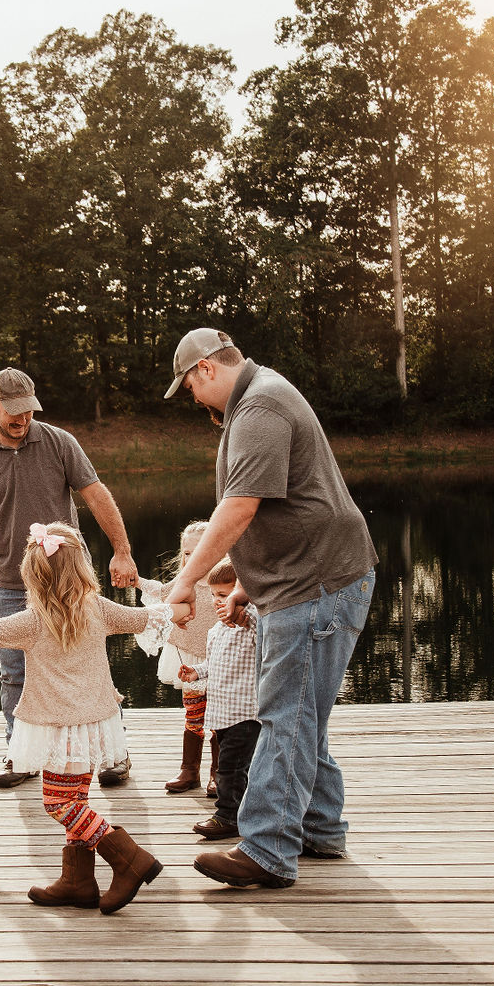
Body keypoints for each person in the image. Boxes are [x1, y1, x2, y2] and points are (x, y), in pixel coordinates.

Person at [161, 328, 377, 890]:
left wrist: (186, 579)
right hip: (306, 581)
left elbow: (239, 507)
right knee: (302, 712)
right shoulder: (261, 398)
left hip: (315, 586)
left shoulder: (258, 405)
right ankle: (319, 828)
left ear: (206, 369)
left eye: (188, 386)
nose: (192, 398)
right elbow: (279, 506)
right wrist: (246, 587)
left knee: (284, 717)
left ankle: (266, 850)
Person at [0, 521, 190, 914]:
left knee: (58, 803)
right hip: (95, 721)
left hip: (56, 724)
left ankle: (128, 857)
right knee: (76, 798)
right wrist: (183, 607)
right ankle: (78, 881)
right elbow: (148, 618)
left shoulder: (33, 621)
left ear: (32, 577)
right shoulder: (98, 608)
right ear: (82, 568)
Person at [0, 367, 140, 790]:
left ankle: (114, 755)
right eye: (13, 413)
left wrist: (122, 552)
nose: (22, 420)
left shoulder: (59, 442)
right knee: (13, 672)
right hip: (11, 584)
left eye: (28, 411)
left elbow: (96, 495)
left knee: (91, 665)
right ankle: (22, 754)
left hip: (71, 583)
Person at [178, 558, 261, 841]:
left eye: (224, 596)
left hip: (245, 713)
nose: (217, 602)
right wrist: (195, 672)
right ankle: (243, 811)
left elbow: (259, 620)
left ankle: (227, 816)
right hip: (222, 714)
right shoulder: (216, 631)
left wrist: (246, 601)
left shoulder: (249, 623)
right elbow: (213, 664)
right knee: (235, 767)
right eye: (213, 595)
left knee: (230, 768)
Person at [136, 519, 219, 794]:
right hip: (188, 655)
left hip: (220, 659)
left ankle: (219, 772)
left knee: (221, 717)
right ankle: (189, 769)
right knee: (193, 712)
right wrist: (135, 581)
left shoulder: (226, 582)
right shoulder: (183, 582)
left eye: (199, 551)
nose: (191, 558)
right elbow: (158, 591)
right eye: (186, 553)